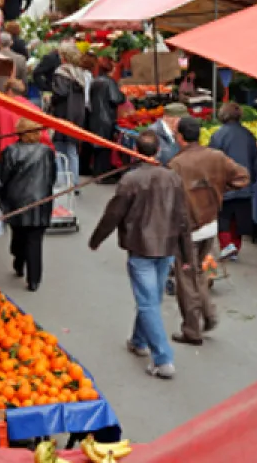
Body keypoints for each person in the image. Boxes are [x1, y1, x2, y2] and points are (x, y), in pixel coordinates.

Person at [89, 131, 193, 379]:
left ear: (135, 150)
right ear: (158, 150)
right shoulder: (173, 179)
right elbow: (182, 219)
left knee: (148, 302)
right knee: (151, 300)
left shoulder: (130, 180)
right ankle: (138, 341)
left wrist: (96, 239)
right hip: (166, 246)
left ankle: (163, 359)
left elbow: (113, 214)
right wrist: (187, 255)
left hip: (140, 247)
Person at [168, 117, 250, 345]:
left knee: (186, 279)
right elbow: (243, 177)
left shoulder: (177, 164)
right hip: (210, 224)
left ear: (180, 137)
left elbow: (168, 199)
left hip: (188, 230)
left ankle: (192, 329)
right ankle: (209, 314)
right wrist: (219, 190)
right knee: (199, 273)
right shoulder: (217, 157)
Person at [0, 119, 57, 291]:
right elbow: (52, 176)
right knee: (35, 240)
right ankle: (34, 279)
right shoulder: (46, 152)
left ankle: (19, 261)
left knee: (18, 235)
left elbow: (0, 179)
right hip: (40, 201)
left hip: (16, 202)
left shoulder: (11, 151)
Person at [209, 102, 257, 261]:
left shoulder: (218, 135)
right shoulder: (248, 135)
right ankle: (235, 248)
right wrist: (251, 179)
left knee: (223, 216)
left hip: (225, 184)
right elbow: (255, 161)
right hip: (245, 184)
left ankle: (226, 245)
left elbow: (212, 160)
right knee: (239, 219)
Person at [0, 79, 53, 164]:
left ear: (9, 91)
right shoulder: (34, 108)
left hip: (5, 154)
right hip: (31, 156)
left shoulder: (0, 107)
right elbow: (43, 135)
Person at [51, 44, 88, 187]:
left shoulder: (61, 72)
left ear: (64, 57)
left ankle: (62, 181)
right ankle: (74, 182)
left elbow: (60, 93)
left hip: (63, 114)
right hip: (77, 115)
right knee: (72, 150)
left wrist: (51, 99)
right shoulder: (80, 73)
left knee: (58, 148)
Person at [88, 60, 126, 180]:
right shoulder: (109, 82)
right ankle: (102, 175)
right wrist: (123, 95)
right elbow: (116, 98)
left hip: (95, 116)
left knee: (99, 147)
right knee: (105, 147)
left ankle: (98, 172)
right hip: (106, 118)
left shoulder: (94, 81)